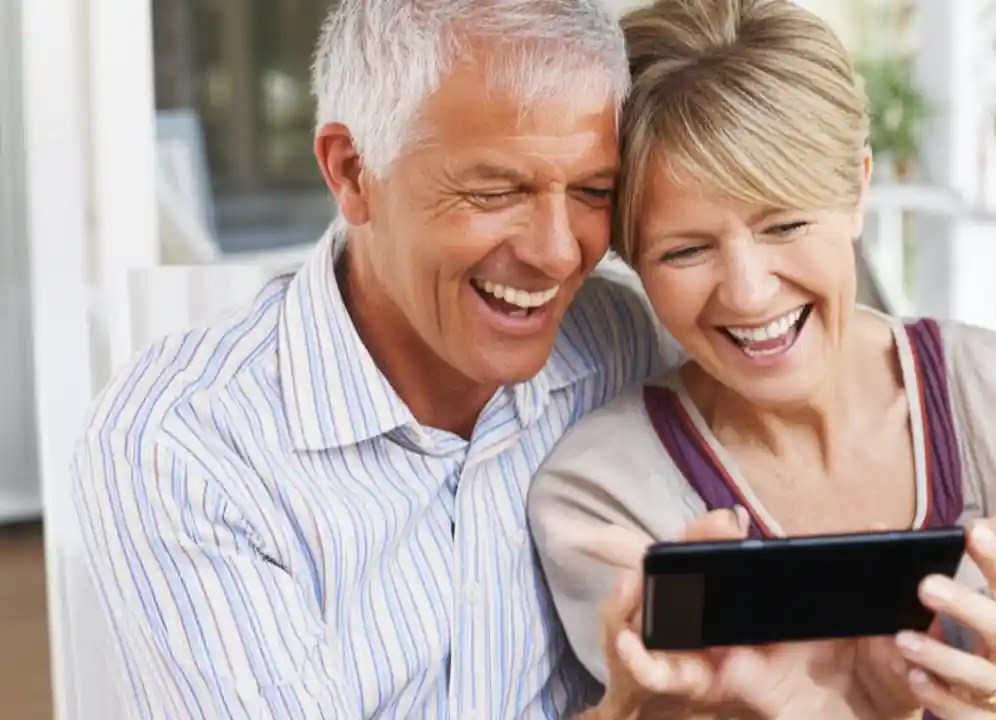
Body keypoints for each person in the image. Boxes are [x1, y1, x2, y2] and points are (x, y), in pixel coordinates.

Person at [528, 1, 996, 718]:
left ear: (858, 189)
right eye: (686, 250)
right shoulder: (603, 494)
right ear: (631, 255)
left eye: (786, 223)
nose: (749, 292)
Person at [70, 1, 676, 717]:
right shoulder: (181, 448)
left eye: (591, 192)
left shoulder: (618, 344)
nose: (556, 250)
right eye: (494, 190)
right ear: (353, 172)